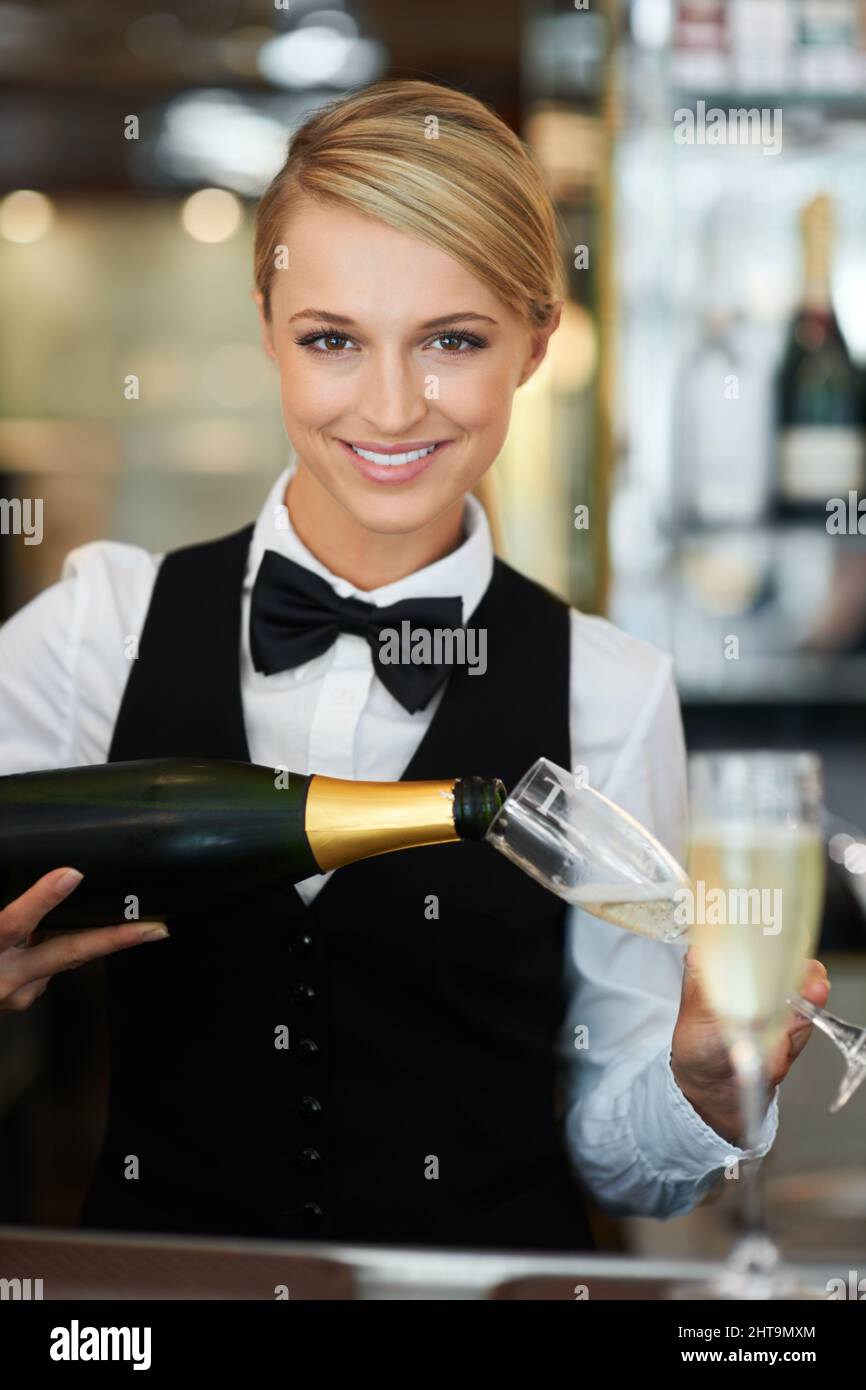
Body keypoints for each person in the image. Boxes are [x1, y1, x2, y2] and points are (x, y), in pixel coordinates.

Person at [0, 79, 829, 1251]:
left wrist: (696, 1083)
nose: (390, 409)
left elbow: (616, 1153)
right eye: (331, 340)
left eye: (451, 340)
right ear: (266, 326)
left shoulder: (611, 686)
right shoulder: (98, 628)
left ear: (536, 342)